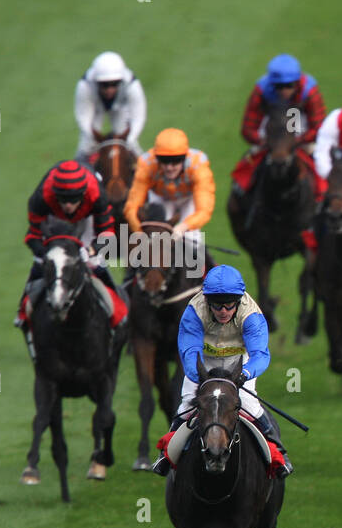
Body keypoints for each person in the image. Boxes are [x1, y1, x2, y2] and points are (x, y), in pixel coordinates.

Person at [152, 264, 292, 477]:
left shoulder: (252, 315)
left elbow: (260, 355)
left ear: (239, 300)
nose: (224, 311)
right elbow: (189, 351)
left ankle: (279, 453)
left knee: (249, 404)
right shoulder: (194, 311)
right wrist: (199, 375)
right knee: (187, 404)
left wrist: (244, 374)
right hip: (204, 362)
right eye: (217, 306)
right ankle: (166, 455)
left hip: (238, 362)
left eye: (229, 305)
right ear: (207, 300)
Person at [15, 160, 127, 358]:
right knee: (41, 266)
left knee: (96, 266)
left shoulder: (97, 194)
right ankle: (24, 313)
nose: (67, 205)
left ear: (82, 195)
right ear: (55, 195)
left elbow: (107, 234)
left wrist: (90, 251)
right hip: (53, 226)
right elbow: (32, 237)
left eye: (72, 199)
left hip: (87, 222)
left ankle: (118, 315)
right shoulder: (40, 198)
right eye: (63, 199)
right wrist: (48, 254)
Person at [123, 128, 215, 278]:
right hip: (160, 198)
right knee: (154, 240)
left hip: (187, 199)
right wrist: (141, 233)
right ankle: (131, 279)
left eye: (176, 161)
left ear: (185, 158)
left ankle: (208, 277)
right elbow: (131, 208)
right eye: (164, 161)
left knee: (192, 239)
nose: (169, 167)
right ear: (156, 158)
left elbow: (204, 210)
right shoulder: (146, 164)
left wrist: (183, 227)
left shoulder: (198, 165)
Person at [231, 54, 326, 196]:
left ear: (297, 82)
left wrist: (297, 141)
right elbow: (248, 128)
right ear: (271, 84)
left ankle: (322, 194)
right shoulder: (261, 90)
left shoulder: (309, 90)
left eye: (288, 86)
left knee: (318, 159)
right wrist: (264, 141)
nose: (284, 91)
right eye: (279, 87)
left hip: (295, 117)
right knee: (253, 155)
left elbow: (318, 127)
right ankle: (240, 191)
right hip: (272, 121)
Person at [74, 51, 147, 161]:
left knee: (131, 143)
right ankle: (77, 167)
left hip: (120, 107)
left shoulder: (132, 86)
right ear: (96, 82)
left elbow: (139, 117)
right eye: (104, 85)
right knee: (87, 143)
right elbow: (83, 117)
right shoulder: (85, 86)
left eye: (114, 84)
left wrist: (130, 139)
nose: (109, 90)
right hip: (96, 107)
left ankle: (145, 169)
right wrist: (95, 138)